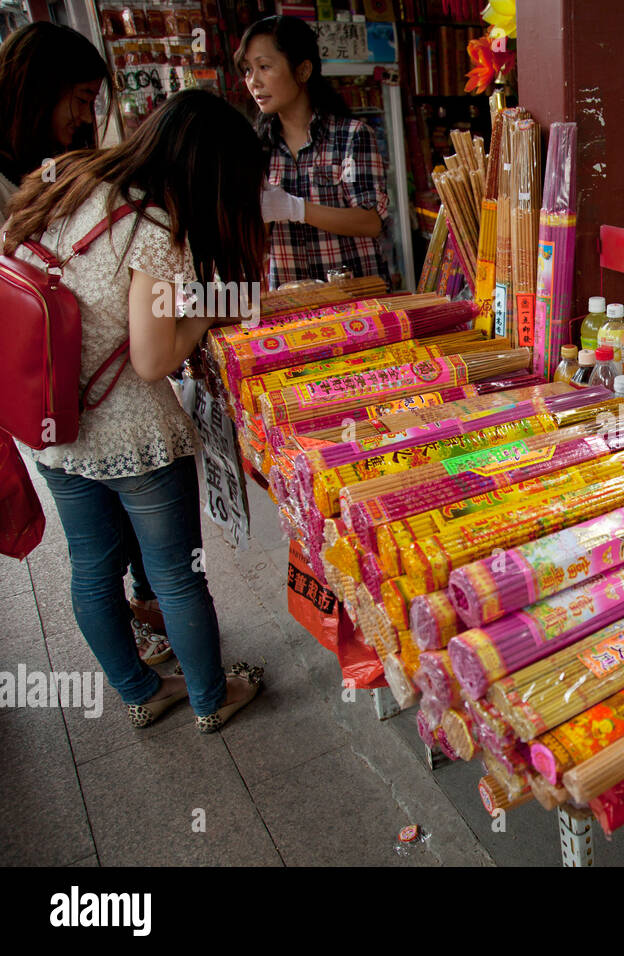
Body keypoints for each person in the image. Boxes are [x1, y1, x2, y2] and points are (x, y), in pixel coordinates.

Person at [3, 89, 267, 732]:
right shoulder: (151, 228)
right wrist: (204, 311)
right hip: (129, 433)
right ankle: (210, 696)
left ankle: (139, 691)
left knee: (92, 567)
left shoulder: (70, 176)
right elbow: (153, 360)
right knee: (175, 572)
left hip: (51, 423)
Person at [0, 21, 169, 664]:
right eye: (77, 98)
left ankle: (140, 671)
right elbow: (146, 344)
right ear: (35, 91)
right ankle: (170, 658)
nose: (84, 117)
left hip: (71, 400)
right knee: (118, 544)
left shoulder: (47, 166)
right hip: (53, 395)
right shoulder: (28, 179)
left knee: (99, 549)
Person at [236, 14, 390, 289]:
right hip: (291, 306)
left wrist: (295, 208)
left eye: (264, 67)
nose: (253, 81)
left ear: (303, 71)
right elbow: (254, 244)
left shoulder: (351, 136)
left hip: (356, 302)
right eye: (247, 70)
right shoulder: (255, 147)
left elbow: (371, 222)